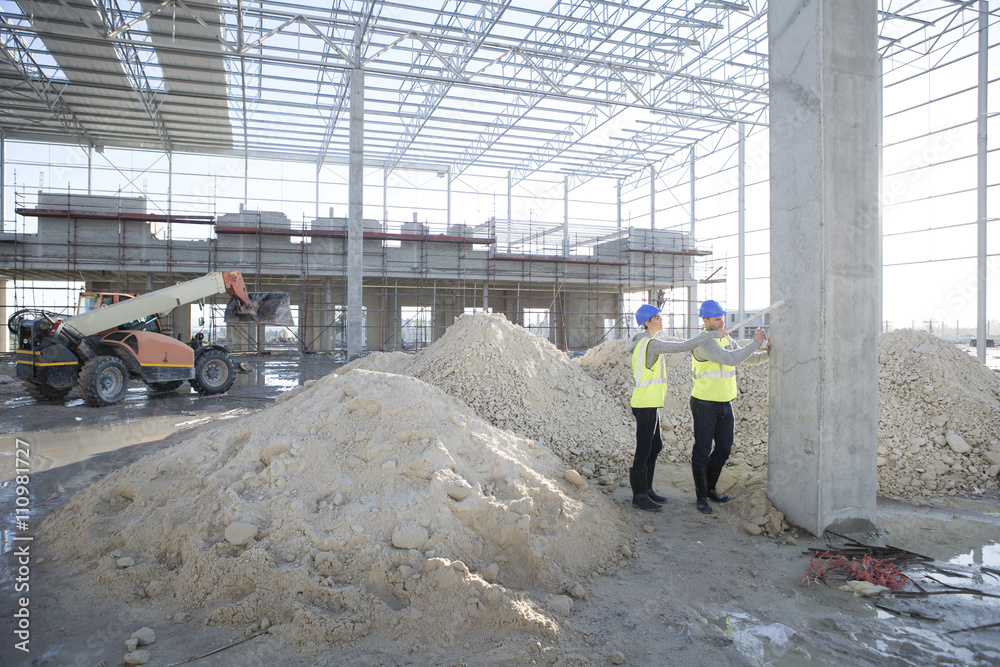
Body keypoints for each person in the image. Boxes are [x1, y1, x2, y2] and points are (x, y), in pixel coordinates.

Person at [626, 304, 729, 512]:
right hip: (644, 403)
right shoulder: (649, 344)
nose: (661, 320)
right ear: (647, 322)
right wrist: (711, 335)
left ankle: (647, 489)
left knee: (655, 447)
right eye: (657, 317)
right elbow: (681, 347)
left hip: (650, 403)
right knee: (644, 449)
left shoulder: (647, 342)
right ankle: (639, 496)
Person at [689, 299, 769, 514]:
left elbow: (744, 358)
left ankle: (711, 489)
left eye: (722, 317)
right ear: (705, 321)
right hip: (705, 403)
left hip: (725, 403)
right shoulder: (704, 342)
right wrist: (755, 343)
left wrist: (766, 354)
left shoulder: (724, 338)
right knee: (702, 450)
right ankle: (701, 497)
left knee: (724, 449)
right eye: (717, 318)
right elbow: (730, 359)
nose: (721, 321)